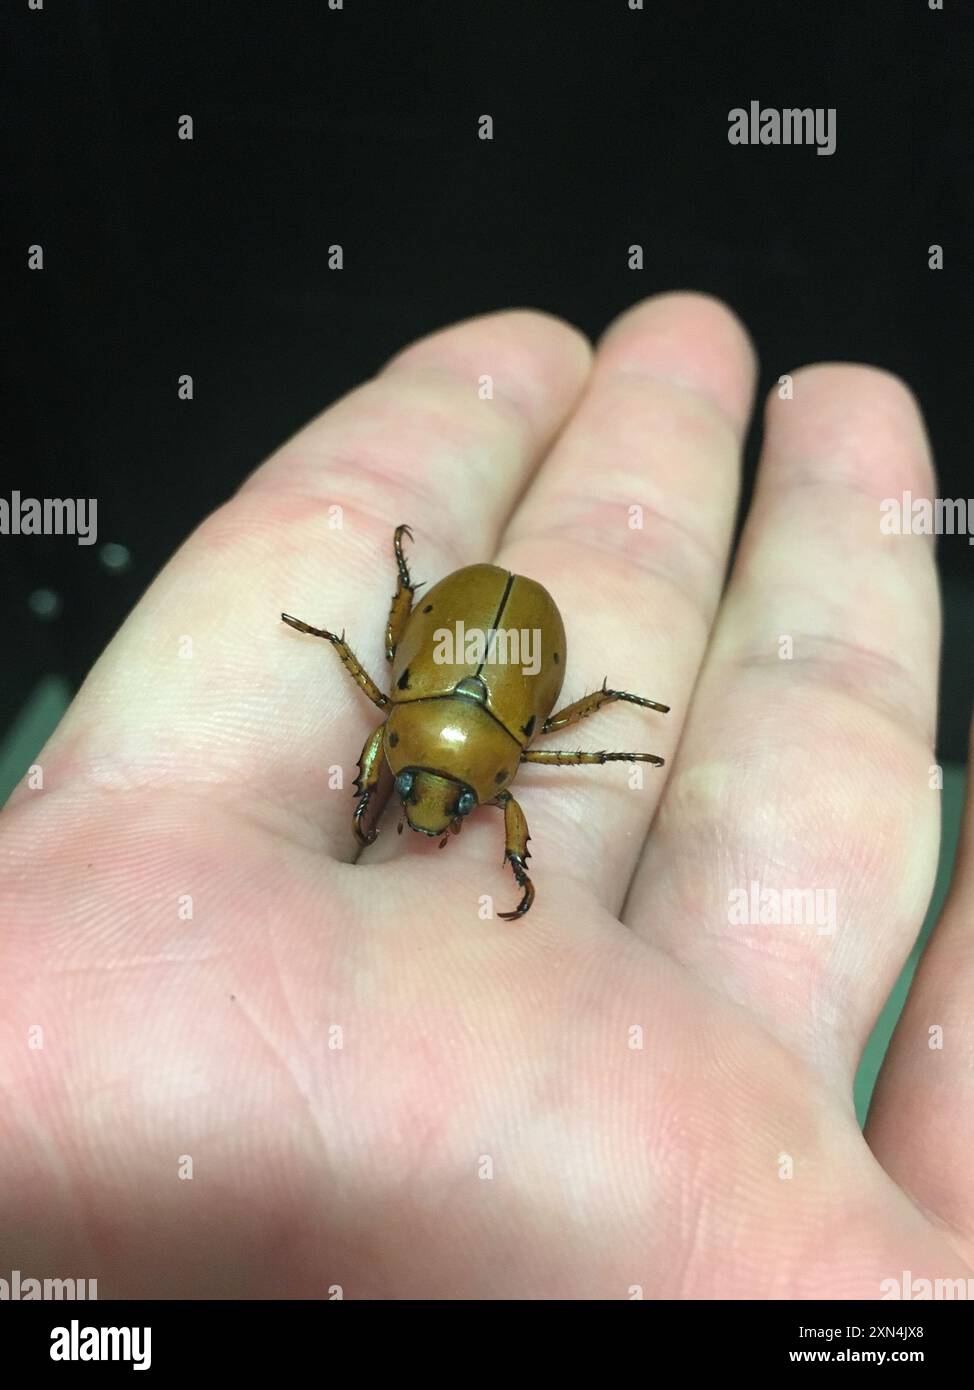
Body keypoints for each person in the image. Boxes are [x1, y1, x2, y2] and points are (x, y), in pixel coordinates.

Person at [1, 293, 970, 1298]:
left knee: (478, 705)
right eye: (430, 796)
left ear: (478, 780)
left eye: (440, 800)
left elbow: (406, 712)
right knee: (484, 706)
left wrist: (498, 839)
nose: (425, 813)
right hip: (483, 653)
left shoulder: (441, 737)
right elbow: (407, 720)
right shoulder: (450, 743)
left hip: (478, 648)